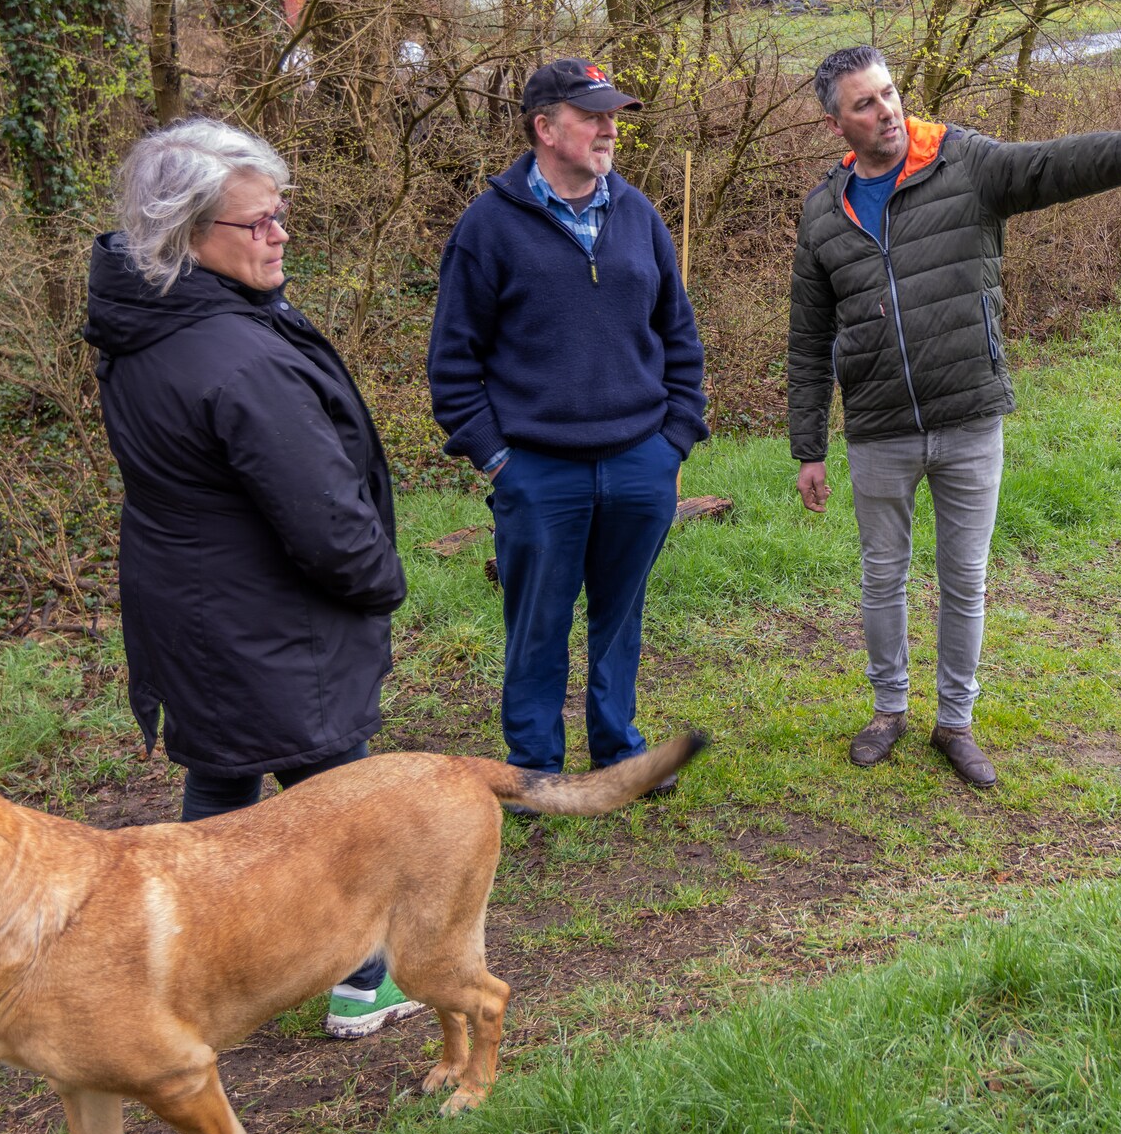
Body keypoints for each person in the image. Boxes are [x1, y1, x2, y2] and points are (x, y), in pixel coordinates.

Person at [787, 46, 1121, 787]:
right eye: (864, 103)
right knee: (881, 578)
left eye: (890, 93)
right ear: (837, 121)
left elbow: (1051, 166)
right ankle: (888, 710)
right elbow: (807, 337)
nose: (886, 110)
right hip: (878, 425)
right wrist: (808, 446)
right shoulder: (823, 212)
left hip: (968, 417)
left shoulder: (965, 164)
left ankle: (954, 723)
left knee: (965, 579)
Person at [83, 118, 419, 1040]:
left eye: (281, 215)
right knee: (345, 808)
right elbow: (320, 512)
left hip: (191, 609)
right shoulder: (235, 357)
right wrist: (379, 581)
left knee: (221, 786)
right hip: (275, 620)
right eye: (256, 223)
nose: (279, 235)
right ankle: (364, 979)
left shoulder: (146, 325)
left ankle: (182, 974)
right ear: (188, 236)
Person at [428, 60, 708, 796]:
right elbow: (453, 363)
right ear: (544, 127)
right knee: (538, 626)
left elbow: (678, 336)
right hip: (537, 471)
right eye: (592, 116)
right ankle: (534, 771)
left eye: (614, 115)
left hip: (638, 461)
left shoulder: (638, 216)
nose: (611, 129)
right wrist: (497, 461)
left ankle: (619, 751)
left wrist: (674, 440)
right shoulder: (488, 229)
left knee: (620, 620)